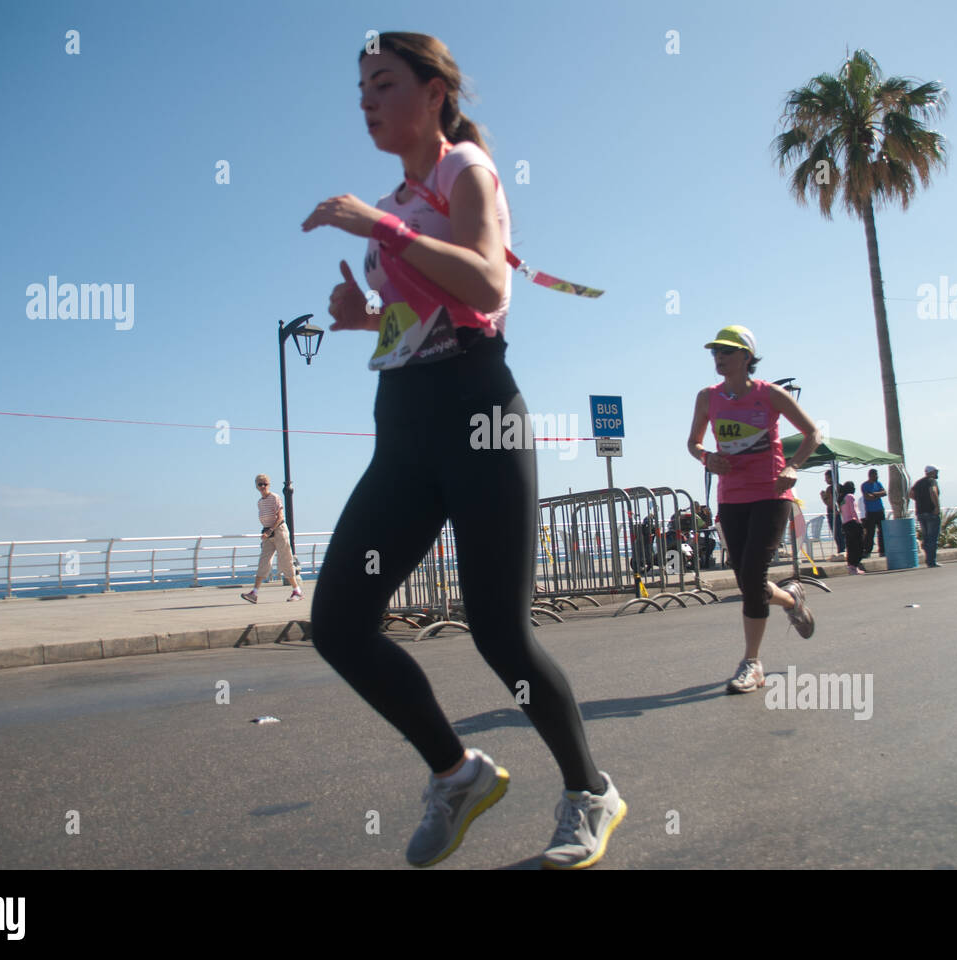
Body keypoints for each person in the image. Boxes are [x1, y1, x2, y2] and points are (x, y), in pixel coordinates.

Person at [300, 31, 623, 870]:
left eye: (383, 82)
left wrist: (383, 231)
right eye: (360, 88)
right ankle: (458, 772)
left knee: (500, 635)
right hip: (404, 425)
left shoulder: (460, 173)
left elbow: (486, 286)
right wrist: (362, 314)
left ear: (435, 92)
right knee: (336, 622)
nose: (366, 100)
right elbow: (423, 311)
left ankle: (590, 790)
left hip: (480, 413)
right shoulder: (400, 198)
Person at [687, 324, 821, 695]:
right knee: (748, 580)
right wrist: (707, 458)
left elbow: (813, 433)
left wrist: (793, 467)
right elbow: (694, 443)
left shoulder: (771, 395)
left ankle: (753, 663)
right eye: (715, 351)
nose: (719, 357)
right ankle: (791, 599)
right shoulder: (707, 397)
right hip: (731, 498)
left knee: (753, 574)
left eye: (726, 351)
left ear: (746, 356)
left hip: (771, 494)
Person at [241, 474, 304, 603]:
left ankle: (297, 590)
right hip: (268, 534)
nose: (263, 486)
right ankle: (254, 593)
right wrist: (266, 531)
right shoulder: (260, 502)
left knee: (285, 561)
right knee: (264, 561)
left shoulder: (275, 497)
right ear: (256, 486)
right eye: (260, 484)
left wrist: (270, 530)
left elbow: (280, 517)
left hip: (279, 531)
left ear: (269, 485)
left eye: (265, 484)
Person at [911, 465, 942, 567]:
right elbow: (933, 491)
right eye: (936, 471)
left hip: (920, 512)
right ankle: (931, 561)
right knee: (932, 537)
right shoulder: (931, 481)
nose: (937, 473)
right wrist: (937, 507)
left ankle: (929, 559)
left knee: (927, 537)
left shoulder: (918, 482)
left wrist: (920, 500)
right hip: (931, 512)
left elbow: (910, 494)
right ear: (931, 472)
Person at [839, 480, 867, 574]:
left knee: (850, 546)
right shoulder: (850, 497)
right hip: (853, 523)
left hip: (846, 524)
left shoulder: (842, 499)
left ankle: (851, 567)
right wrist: (860, 523)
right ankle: (854, 565)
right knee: (859, 546)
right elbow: (853, 511)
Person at [860, 468, 887, 557]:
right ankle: (868, 551)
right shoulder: (865, 485)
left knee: (882, 531)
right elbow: (868, 497)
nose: (877, 477)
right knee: (870, 532)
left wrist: (874, 494)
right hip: (870, 512)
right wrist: (878, 495)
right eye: (875, 475)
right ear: (871, 475)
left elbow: (884, 492)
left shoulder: (878, 483)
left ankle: (882, 550)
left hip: (880, 510)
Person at [820, 469, 845, 557]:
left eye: (826, 478)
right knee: (842, 533)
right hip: (842, 513)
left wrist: (823, 497)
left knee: (837, 533)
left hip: (833, 513)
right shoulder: (840, 487)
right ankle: (843, 549)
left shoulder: (830, 489)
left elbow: (830, 504)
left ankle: (841, 550)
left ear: (831, 478)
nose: (825, 480)